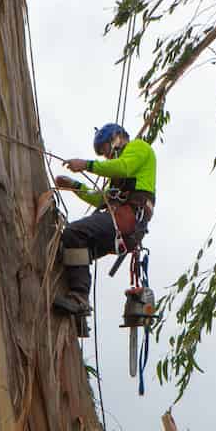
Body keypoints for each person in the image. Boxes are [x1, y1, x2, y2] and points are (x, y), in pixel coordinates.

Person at [52, 123, 156, 316]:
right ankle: (78, 305)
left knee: (74, 232)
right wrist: (75, 185)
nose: (106, 156)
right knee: (72, 246)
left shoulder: (139, 148)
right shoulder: (117, 176)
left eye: (105, 150)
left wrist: (87, 165)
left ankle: (79, 297)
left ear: (117, 138)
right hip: (120, 223)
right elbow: (102, 199)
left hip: (128, 220)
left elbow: (123, 168)